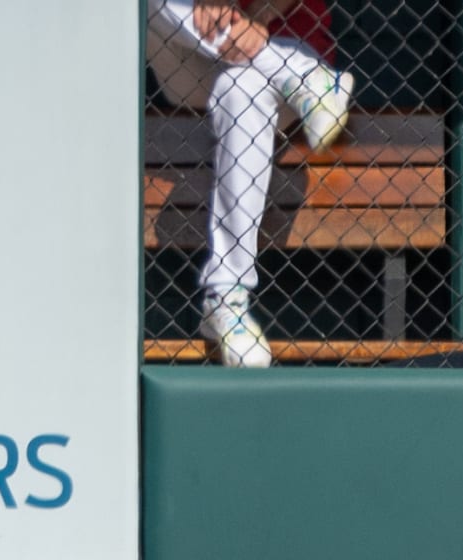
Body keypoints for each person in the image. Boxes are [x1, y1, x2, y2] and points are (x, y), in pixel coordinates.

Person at [148, 0, 354, 367]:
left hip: (283, 43)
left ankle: (226, 299)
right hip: (193, 52)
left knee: (240, 91)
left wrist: (253, 19)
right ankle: (303, 78)